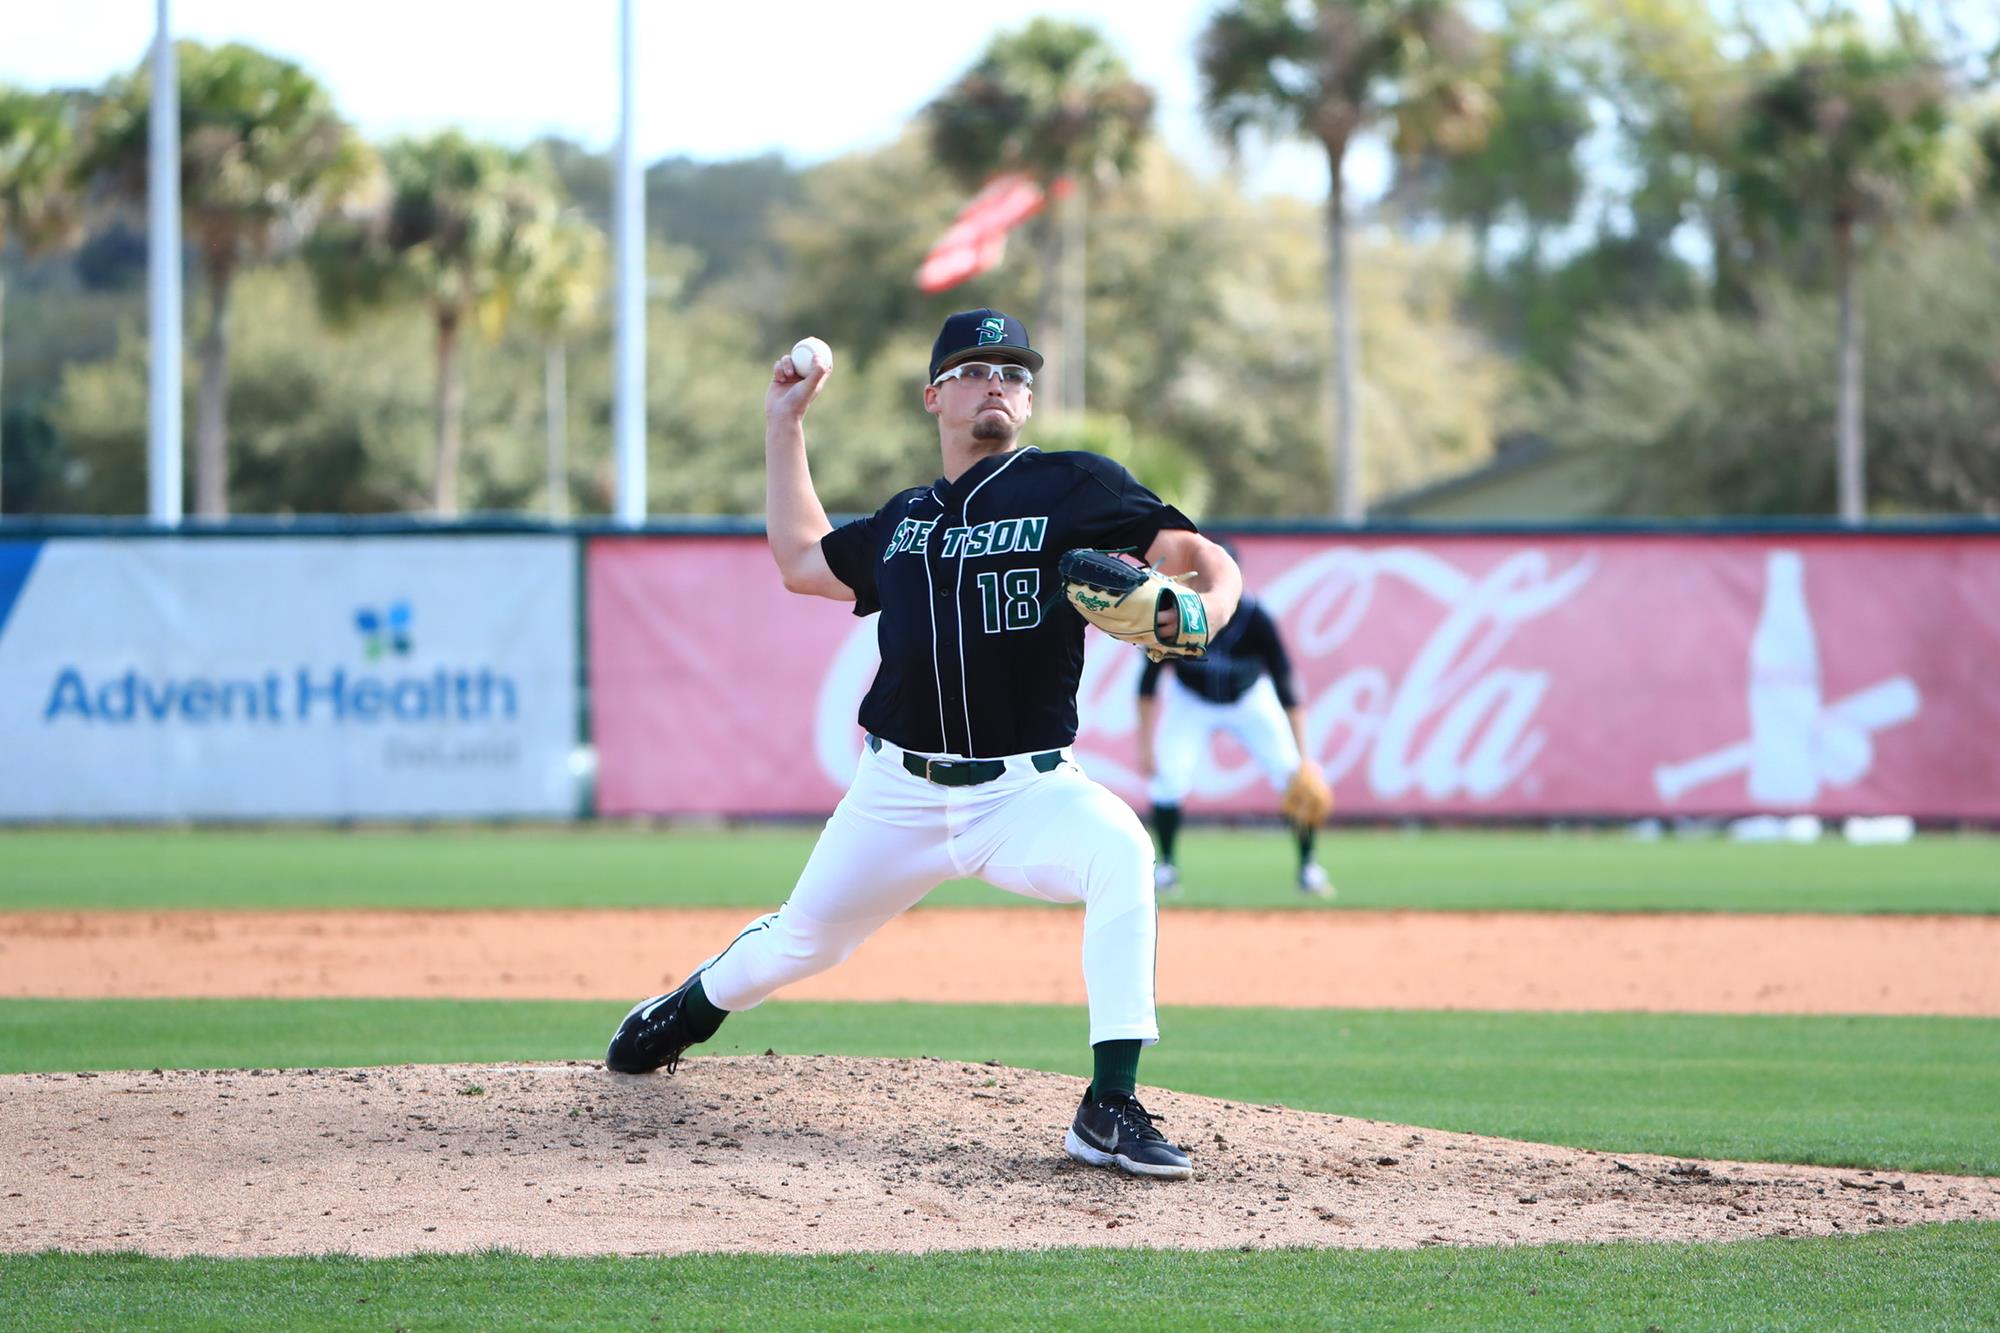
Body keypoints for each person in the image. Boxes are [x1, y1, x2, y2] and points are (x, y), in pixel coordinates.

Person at [606, 309, 1241, 1181]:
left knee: (1122, 852)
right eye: (977, 369)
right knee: (803, 942)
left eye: (1015, 373)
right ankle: (683, 1011)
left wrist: (1210, 604)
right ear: (935, 394)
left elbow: (1196, 554)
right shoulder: (906, 521)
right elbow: (799, 559)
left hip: (1027, 793)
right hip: (895, 794)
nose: (998, 386)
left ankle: (1108, 1107)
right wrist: (783, 424)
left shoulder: (1072, 486)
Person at [1136, 562, 1332, 897]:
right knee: (1168, 778)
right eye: (1204, 577)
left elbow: (1286, 686)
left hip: (1249, 698)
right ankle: (1166, 868)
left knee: (1293, 776)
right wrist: (1145, 745)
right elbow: (1149, 683)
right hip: (1192, 700)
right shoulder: (1178, 613)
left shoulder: (1255, 618)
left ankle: (1309, 867)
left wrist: (1305, 756)